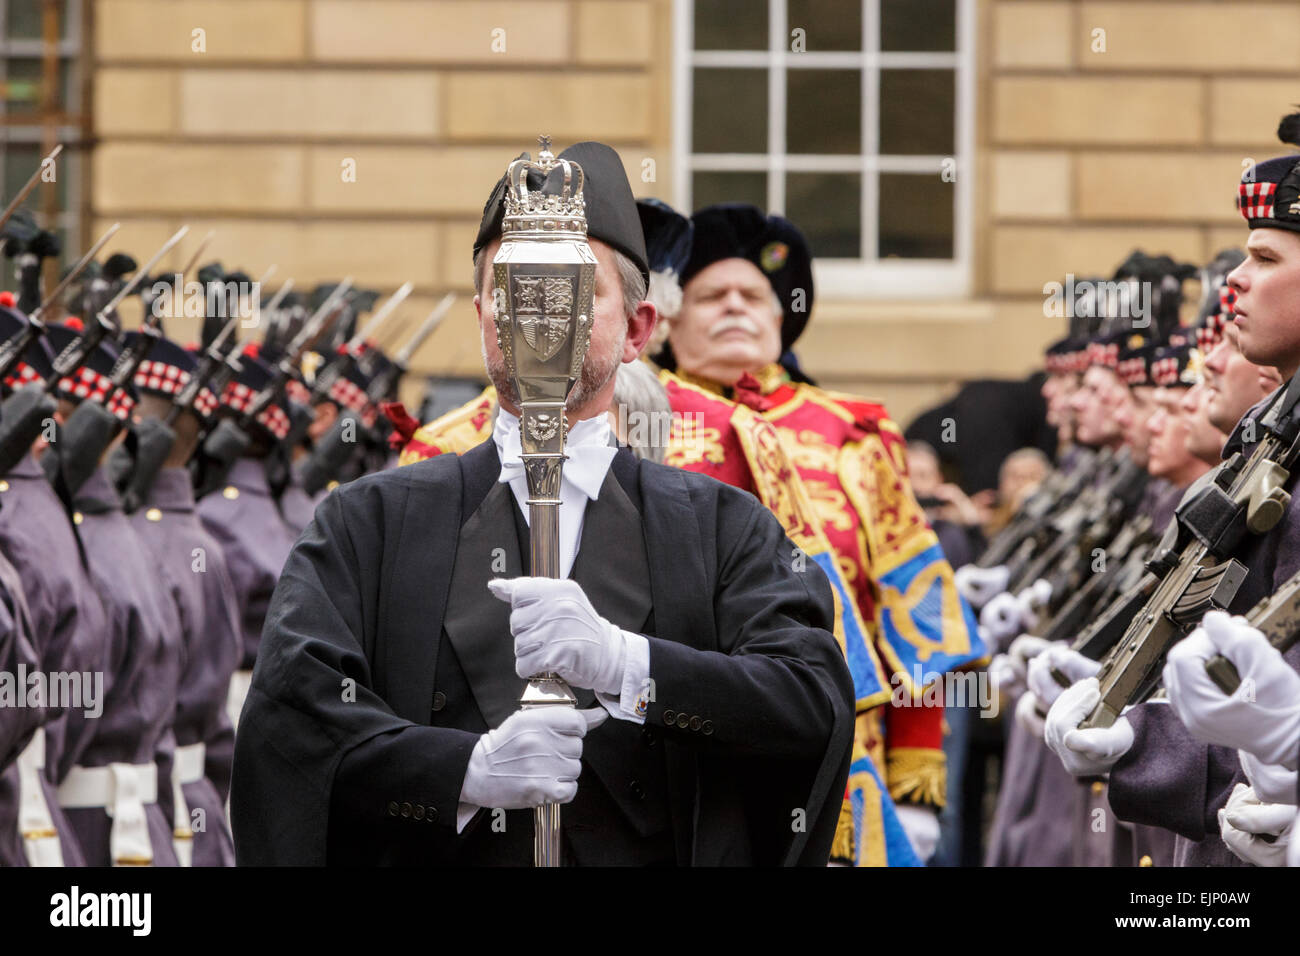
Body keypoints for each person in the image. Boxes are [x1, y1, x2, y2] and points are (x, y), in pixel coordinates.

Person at [231, 140, 855, 866]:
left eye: (574, 291)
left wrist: (629, 664)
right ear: (481, 314)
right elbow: (291, 720)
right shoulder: (368, 523)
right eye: (513, 288)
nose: (538, 317)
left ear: (639, 330)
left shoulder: (725, 528)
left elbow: (810, 704)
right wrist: (464, 772)